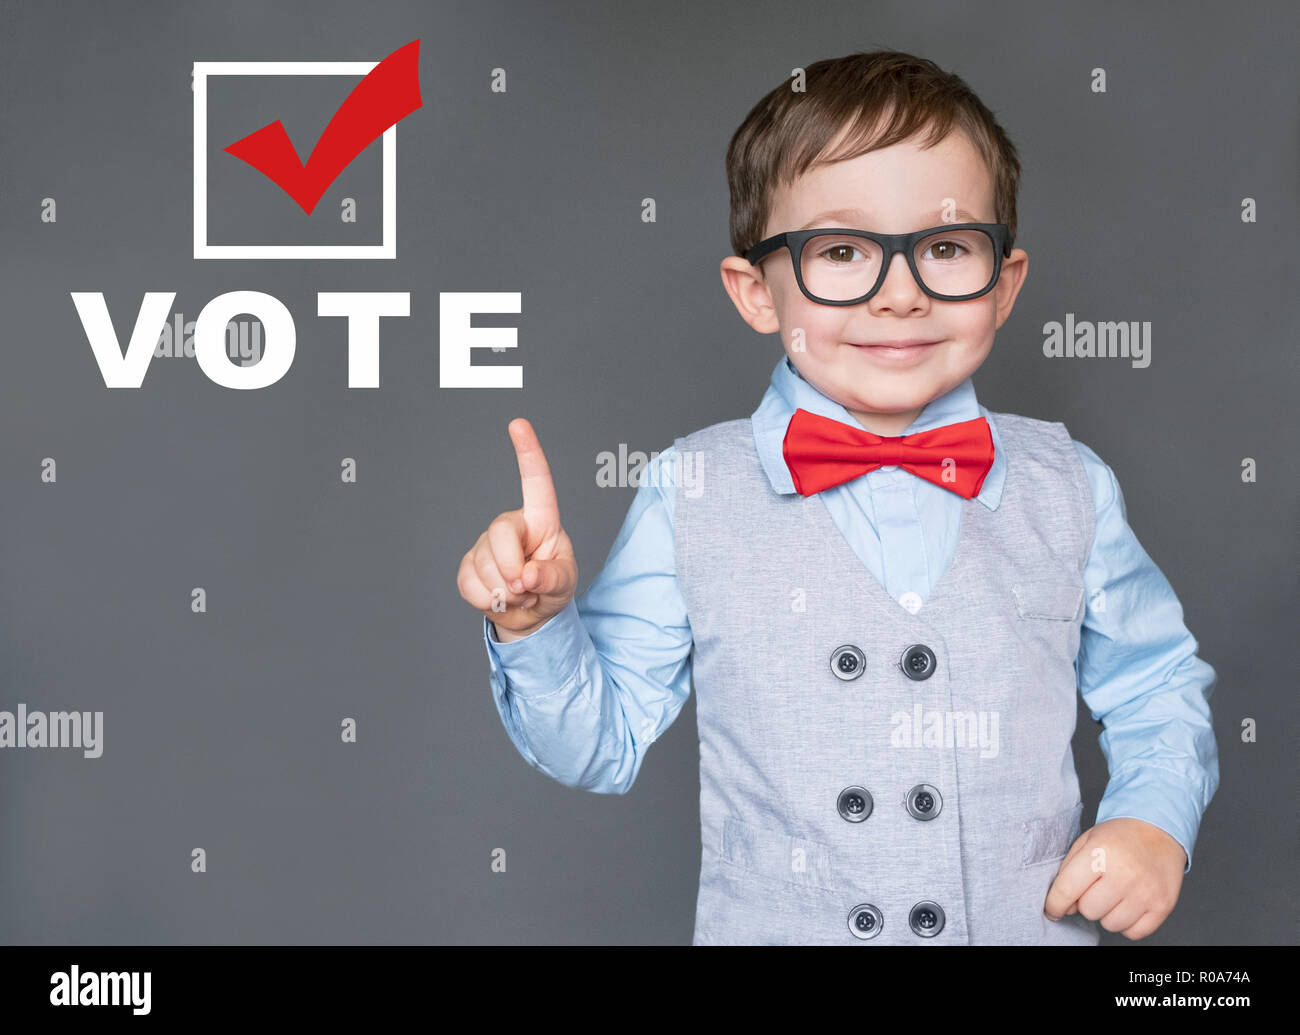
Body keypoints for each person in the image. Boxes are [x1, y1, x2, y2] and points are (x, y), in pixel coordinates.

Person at [455, 50, 1219, 945]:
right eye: (843, 251)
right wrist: (537, 626)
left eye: (944, 247)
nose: (900, 295)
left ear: (1004, 283)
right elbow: (598, 741)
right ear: (756, 292)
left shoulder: (1071, 487)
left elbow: (1157, 685)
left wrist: (1154, 821)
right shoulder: (689, 489)